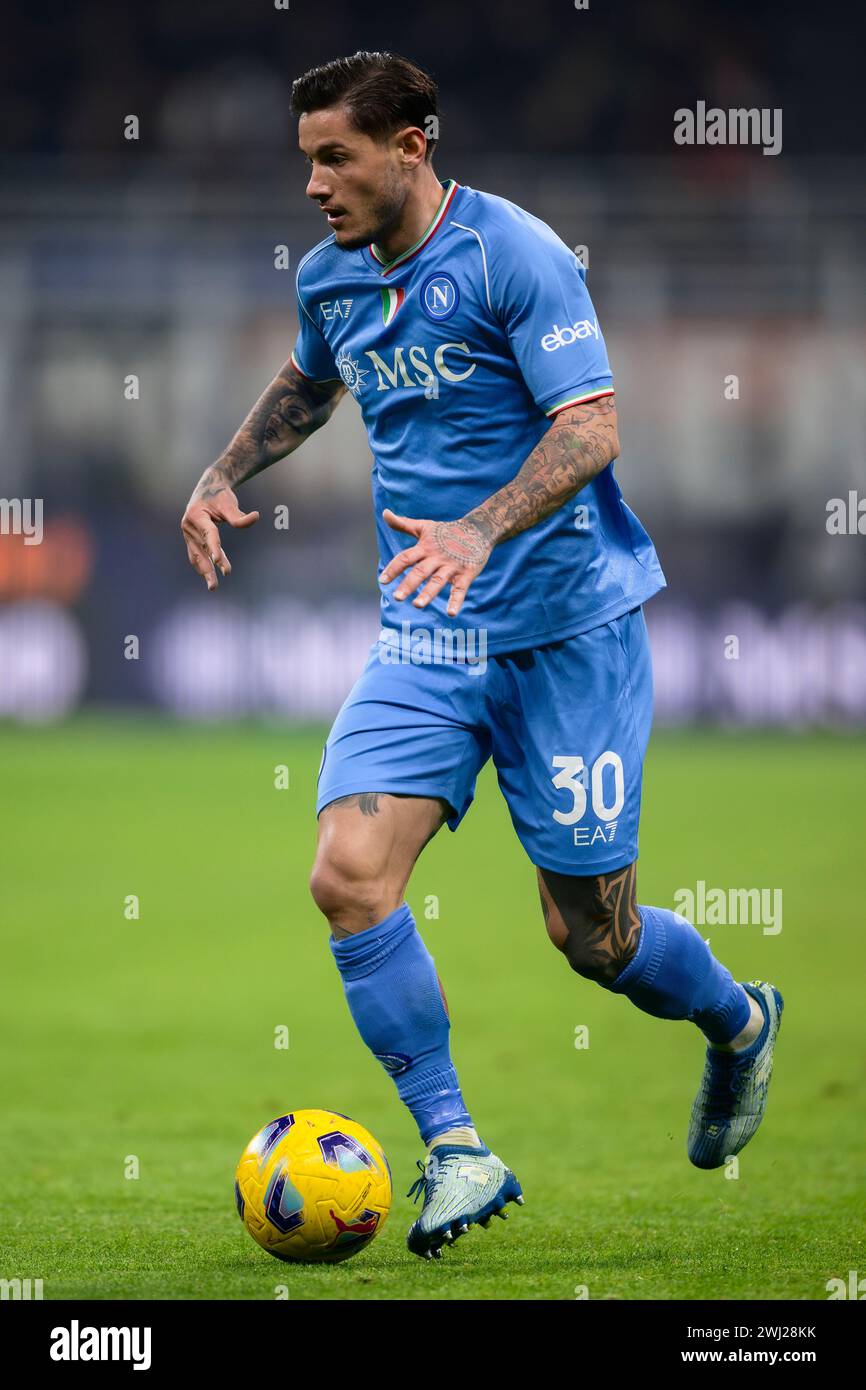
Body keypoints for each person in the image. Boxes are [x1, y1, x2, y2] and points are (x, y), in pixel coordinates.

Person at [181, 50, 783, 1261]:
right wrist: (220, 472)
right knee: (348, 874)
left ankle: (734, 1021)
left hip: (568, 631)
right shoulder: (332, 277)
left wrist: (478, 526)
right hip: (427, 631)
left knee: (592, 940)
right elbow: (309, 383)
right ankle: (455, 1146)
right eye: (306, 160)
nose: (314, 184)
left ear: (411, 145)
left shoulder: (516, 254)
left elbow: (592, 426)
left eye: (335, 156)